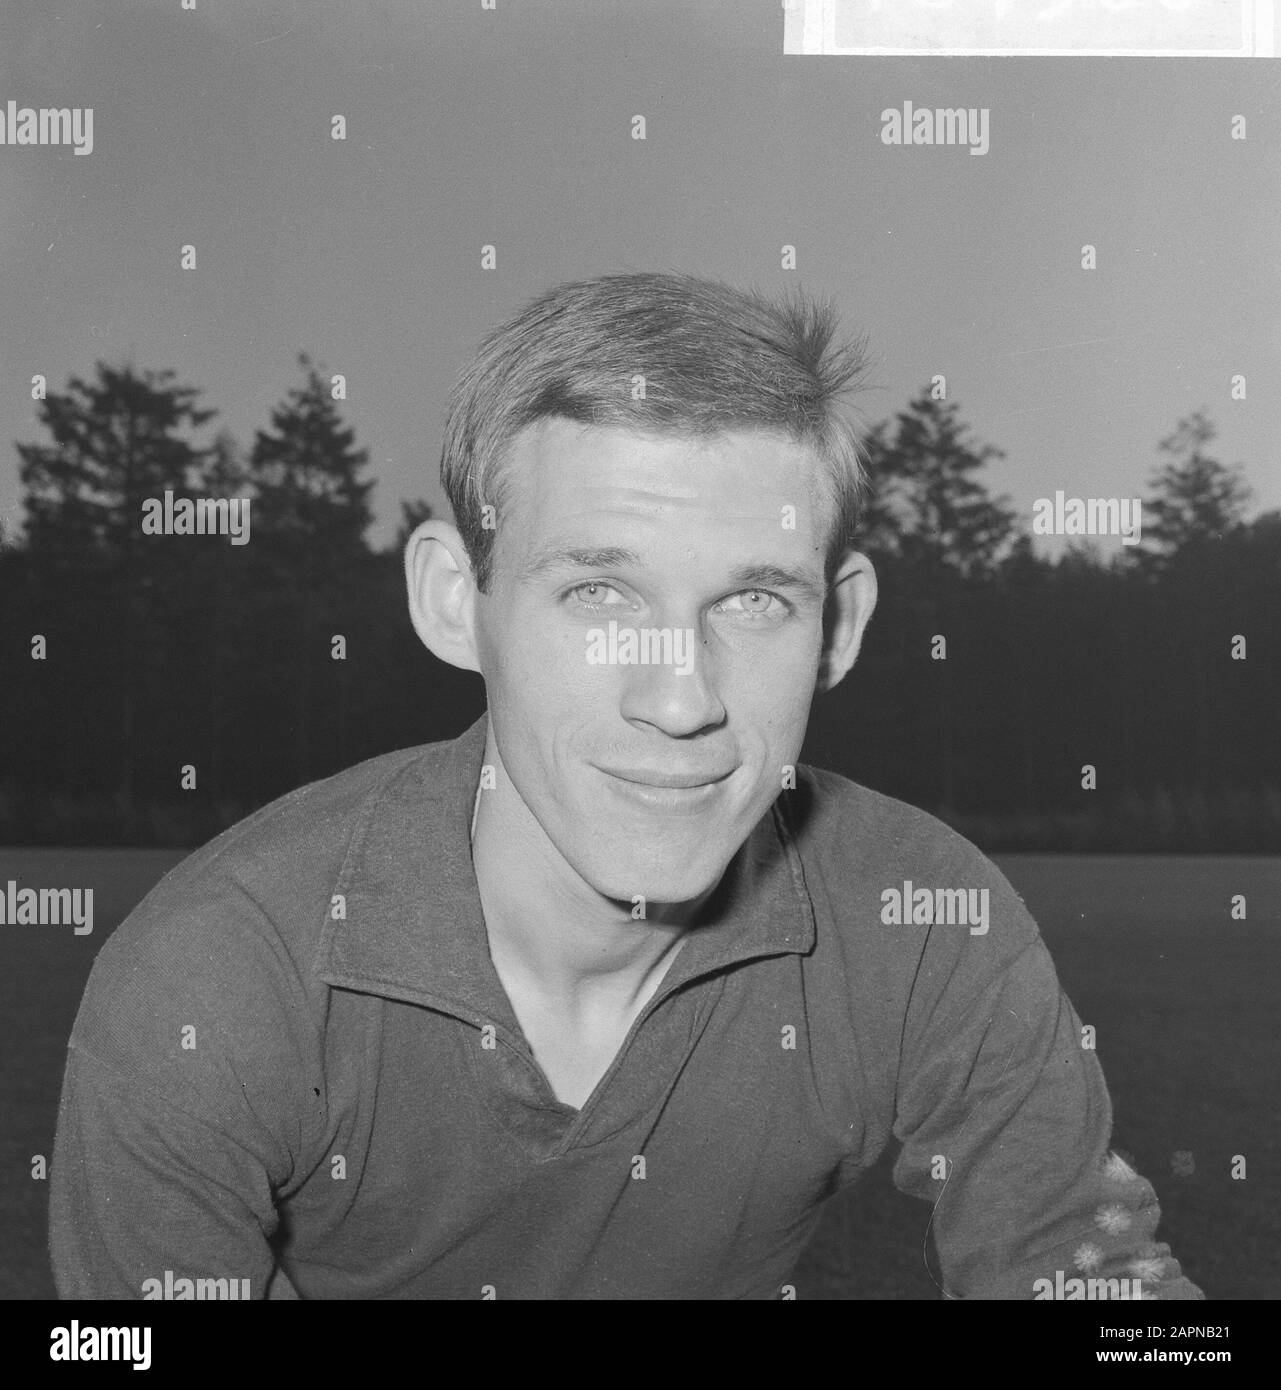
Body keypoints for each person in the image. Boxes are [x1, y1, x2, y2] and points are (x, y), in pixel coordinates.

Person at [49, 271, 1202, 1300]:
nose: (681, 697)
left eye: (754, 601)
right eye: (601, 594)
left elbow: (1091, 1280)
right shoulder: (212, 978)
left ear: (838, 625)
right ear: (456, 599)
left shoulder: (925, 917)